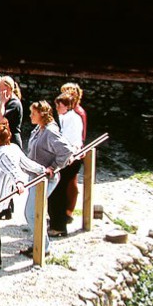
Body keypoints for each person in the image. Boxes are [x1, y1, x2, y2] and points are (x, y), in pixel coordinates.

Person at [0, 121, 44, 271]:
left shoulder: (3, 155)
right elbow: (26, 163)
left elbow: (14, 170)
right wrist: (42, 169)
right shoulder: (13, 148)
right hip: (1, 195)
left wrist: (19, 182)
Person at [20, 100, 76, 256]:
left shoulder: (50, 131)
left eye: (33, 113)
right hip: (35, 176)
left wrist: (53, 167)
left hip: (45, 179)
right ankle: (38, 243)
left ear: (41, 115)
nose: (30, 116)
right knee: (33, 212)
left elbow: (66, 151)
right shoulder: (38, 129)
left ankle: (43, 247)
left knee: (32, 213)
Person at [47, 92, 85, 236]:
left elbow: (69, 141)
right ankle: (56, 221)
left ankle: (59, 226)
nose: (57, 108)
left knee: (58, 193)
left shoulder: (73, 119)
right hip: (65, 158)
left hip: (69, 159)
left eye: (59, 105)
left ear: (67, 105)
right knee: (56, 193)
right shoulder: (65, 117)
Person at [0, 76, 24, 220]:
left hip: (11, 141)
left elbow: (1, 120)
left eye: (0, 87)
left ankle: (6, 207)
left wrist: (2, 102)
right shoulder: (7, 102)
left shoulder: (13, 103)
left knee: (9, 174)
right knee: (2, 173)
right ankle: (6, 207)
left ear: (8, 88)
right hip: (3, 140)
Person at [60, 82, 88, 225]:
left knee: (71, 183)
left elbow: (78, 135)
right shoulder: (71, 112)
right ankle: (63, 211)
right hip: (70, 151)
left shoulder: (77, 113)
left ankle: (68, 212)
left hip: (74, 152)